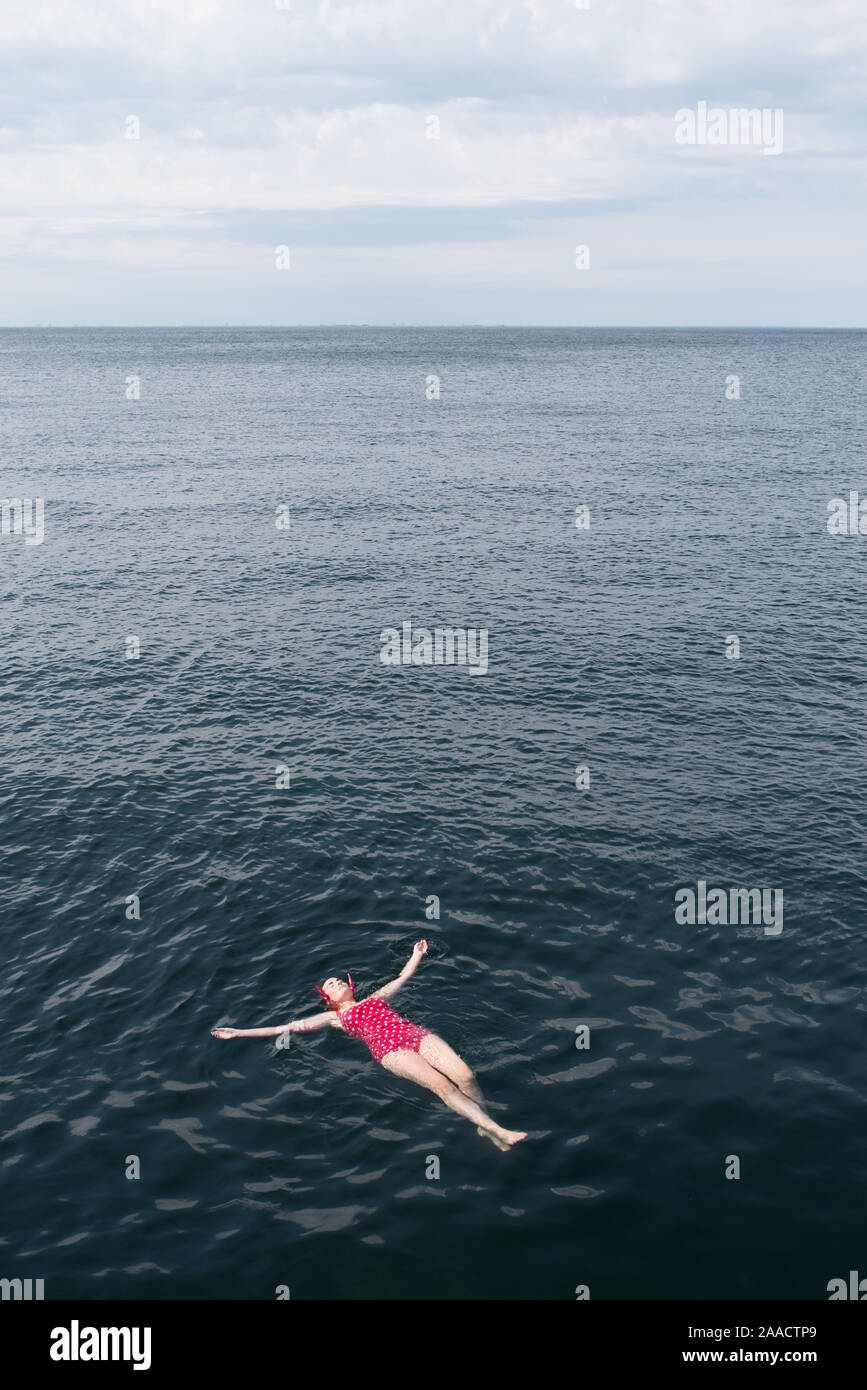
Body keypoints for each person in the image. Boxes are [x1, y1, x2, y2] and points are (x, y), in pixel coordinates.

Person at [212, 940, 527, 1149]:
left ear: (350, 986)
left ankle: (485, 1123)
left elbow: (402, 978)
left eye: (338, 980)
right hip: (391, 1051)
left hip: (415, 1034)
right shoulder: (332, 1020)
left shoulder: (376, 998)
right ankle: (496, 1130)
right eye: (329, 985)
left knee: (466, 1075)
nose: (335, 983)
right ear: (328, 1000)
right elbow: (287, 1027)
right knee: (442, 1086)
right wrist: (239, 1032)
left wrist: (416, 954)